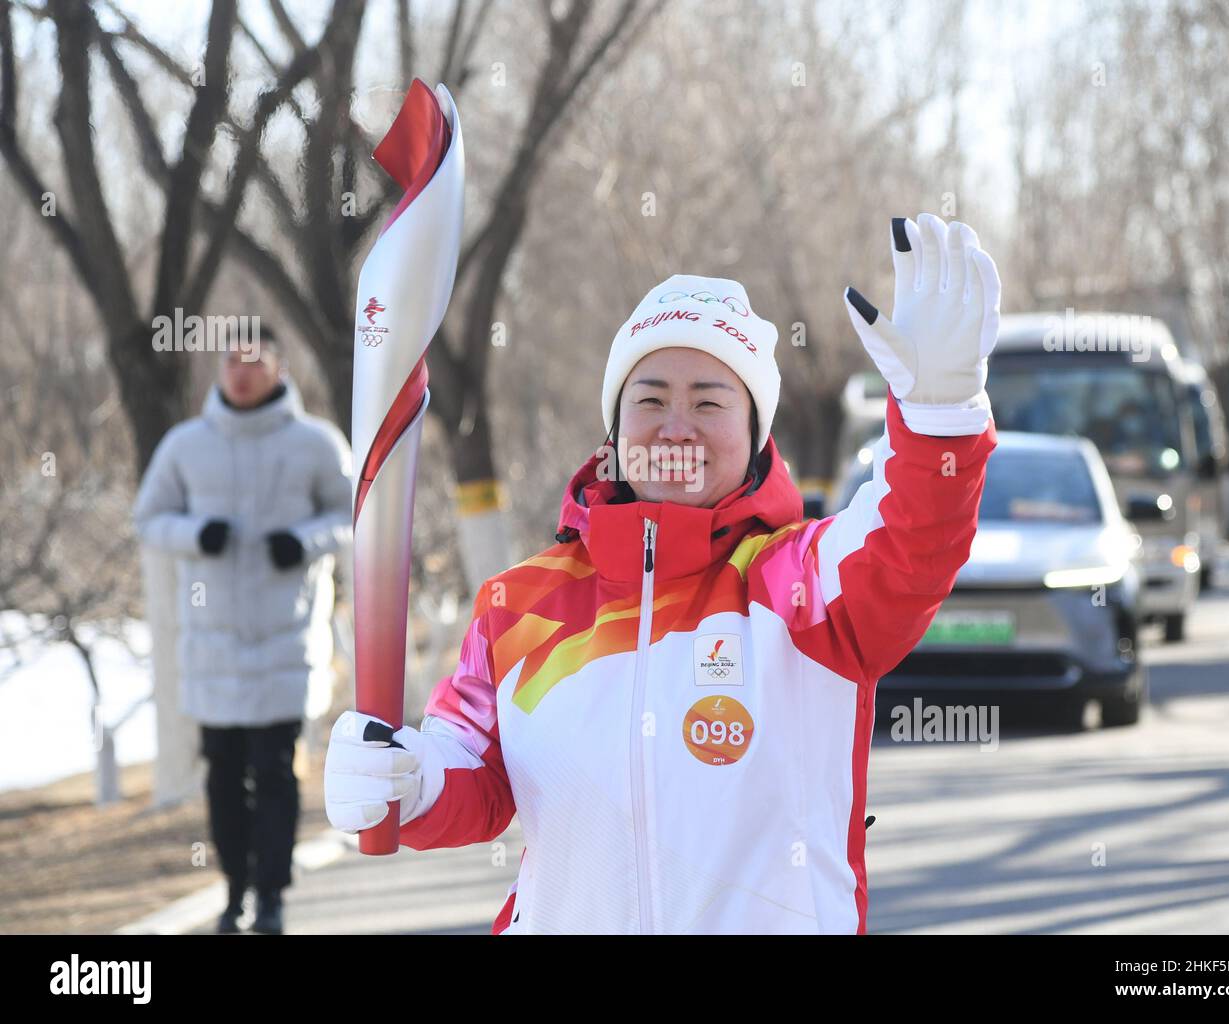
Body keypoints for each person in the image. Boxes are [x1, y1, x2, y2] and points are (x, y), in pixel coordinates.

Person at [325, 213, 1001, 933]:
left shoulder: (800, 583)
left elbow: (913, 542)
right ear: (615, 431)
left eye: (710, 401)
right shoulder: (520, 605)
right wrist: (411, 777)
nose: (676, 427)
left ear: (754, 436)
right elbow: (476, 772)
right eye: (649, 399)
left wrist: (939, 423)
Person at [133, 333, 353, 935]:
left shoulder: (315, 443)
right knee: (225, 779)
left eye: (254, 361)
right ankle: (233, 891)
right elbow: (149, 519)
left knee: (277, 772)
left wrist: (304, 542)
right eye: (232, 360)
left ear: (280, 366)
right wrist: (195, 534)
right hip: (213, 646)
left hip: (286, 640)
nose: (242, 372)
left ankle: (273, 898)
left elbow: (353, 515)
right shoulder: (186, 445)